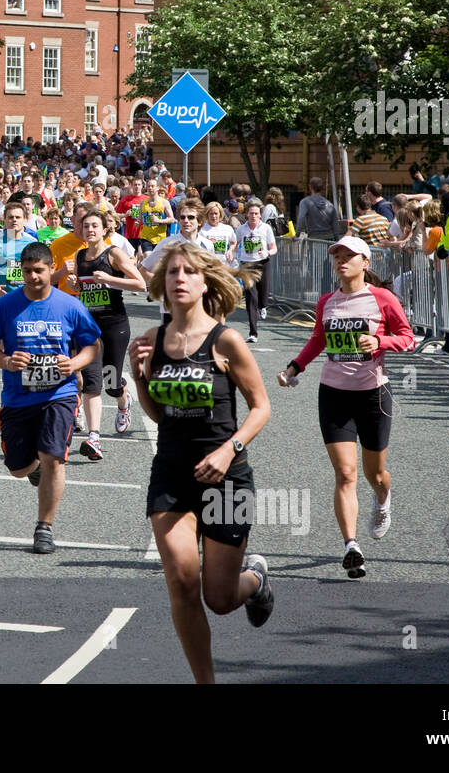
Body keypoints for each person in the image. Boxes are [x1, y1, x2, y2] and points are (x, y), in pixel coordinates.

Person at [128, 242, 275, 683]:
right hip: (172, 472)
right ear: (162, 284)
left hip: (228, 476)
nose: (179, 278)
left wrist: (227, 449)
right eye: (172, 271)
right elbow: (158, 415)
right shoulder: (151, 341)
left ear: (204, 280)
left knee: (219, 597)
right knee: (181, 583)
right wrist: (140, 378)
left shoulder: (225, 340)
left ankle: (255, 582)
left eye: (189, 271)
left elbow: (261, 407)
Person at [277, 236, 414, 578]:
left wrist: (380, 340)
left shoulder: (382, 298)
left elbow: (409, 338)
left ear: (365, 262)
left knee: (375, 474)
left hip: (373, 395)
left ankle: (382, 500)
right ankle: (351, 545)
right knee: (345, 473)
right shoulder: (327, 301)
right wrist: (295, 367)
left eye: (349, 255)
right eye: (337, 254)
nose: (342, 260)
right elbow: (318, 339)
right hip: (334, 393)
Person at [0, 243, 100, 554]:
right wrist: (5, 361)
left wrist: (74, 364)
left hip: (59, 393)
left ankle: (44, 527)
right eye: (27, 270)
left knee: (53, 458)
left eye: (39, 270)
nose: (32, 276)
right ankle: (32, 470)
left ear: (50, 269)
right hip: (18, 397)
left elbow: (92, 345)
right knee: (18, 468)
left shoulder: (69, 306)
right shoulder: (5, 306)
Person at [64, 209, 146, 459]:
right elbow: (78, 287)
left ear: (104, 230)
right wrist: (73, 285)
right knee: (91, 381)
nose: (90, 230)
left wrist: (110, 279)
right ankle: (94, 437)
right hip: (88, 326)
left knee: (111, 382)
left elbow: (141, 284)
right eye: (86, 226)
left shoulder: (114, 253)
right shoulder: (79, 256)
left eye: (94, 226)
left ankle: (123, 401)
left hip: (114, 323)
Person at [234, 199, 277, 342]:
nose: (253, 216)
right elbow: (235, 244)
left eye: (256, 213)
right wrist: (230, 252)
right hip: (247, 265)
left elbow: (274, 248)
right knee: (251, 297)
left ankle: (263, 306)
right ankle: (253, 333)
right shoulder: (241, 229)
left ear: (260, 215)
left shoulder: (266, 229)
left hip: (263, 263)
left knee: (263, 293)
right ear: (247, 214)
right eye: (251, 213)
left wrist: (268, 253)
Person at [296, 176, 339, 240]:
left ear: (310, 187)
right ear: (322, 188)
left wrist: (297, 234)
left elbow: (301, 218)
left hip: (314, 238)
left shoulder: (305, 202)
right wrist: (336, 239)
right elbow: (335, 223)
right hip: (329, 238)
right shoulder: (330, 204)